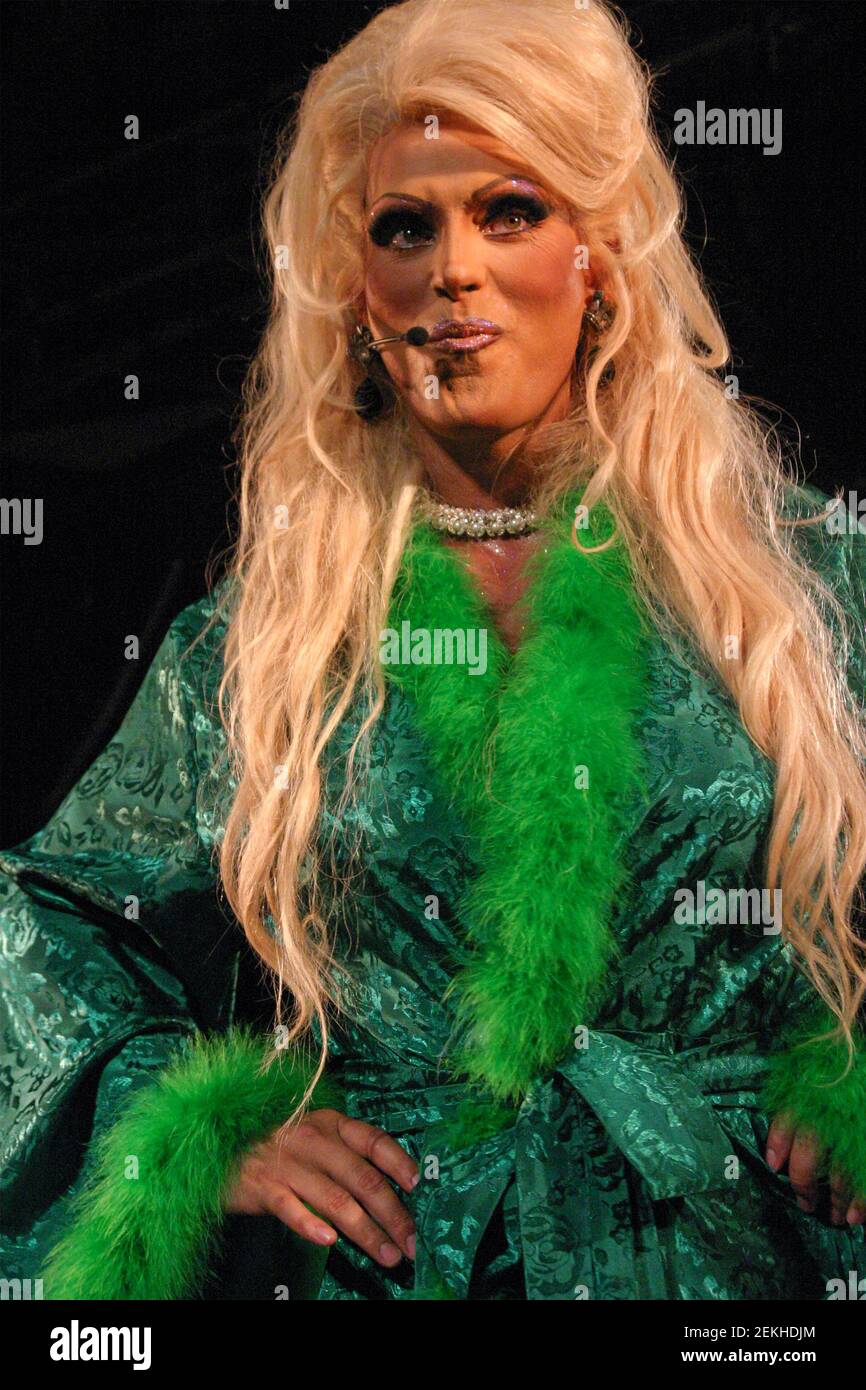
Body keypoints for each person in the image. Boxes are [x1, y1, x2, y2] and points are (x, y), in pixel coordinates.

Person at [1, 0, 864, 1302]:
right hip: (408, 1262)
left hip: (743, 1268)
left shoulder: (798, 578)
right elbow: (48, 918)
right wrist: (187, 1129)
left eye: (508, 210)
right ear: (358, 291)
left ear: (599, 253)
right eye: (405, 226)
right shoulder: (266, 639)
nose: (451, 269)